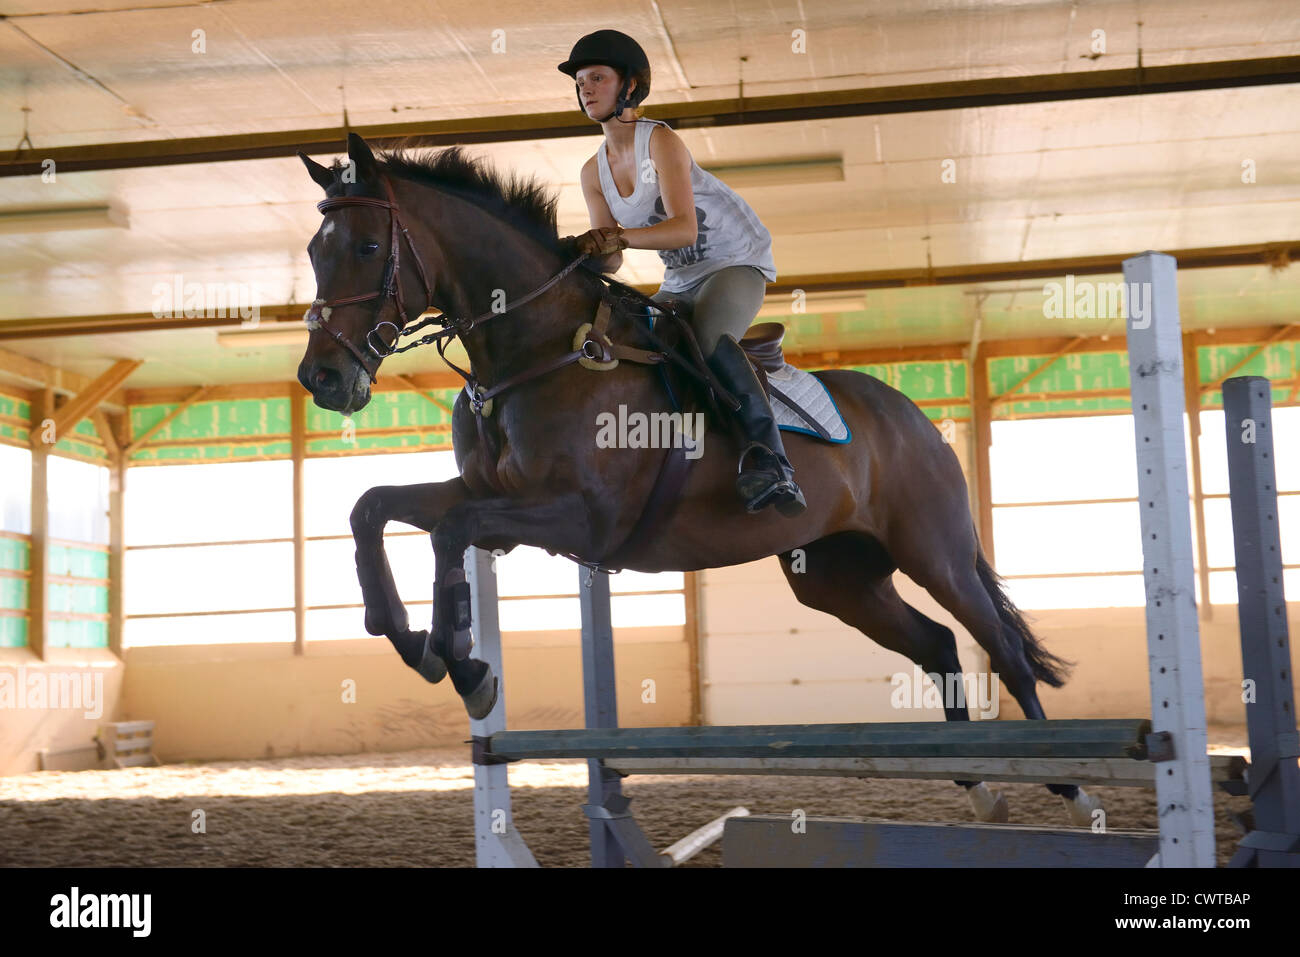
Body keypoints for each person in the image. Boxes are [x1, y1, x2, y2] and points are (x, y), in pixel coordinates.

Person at [558, 29, 806, 517]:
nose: (586, 88)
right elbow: (612, 258)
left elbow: (684, 230)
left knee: (711, 341)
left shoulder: (662, 141)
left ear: (629, 85)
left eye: (597, 77)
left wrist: (621, 237)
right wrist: (582, 253)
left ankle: (772, 461)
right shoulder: (592, 172)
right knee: (647, 350)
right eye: (581, 80)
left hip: (732, 261)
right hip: (679, 279)